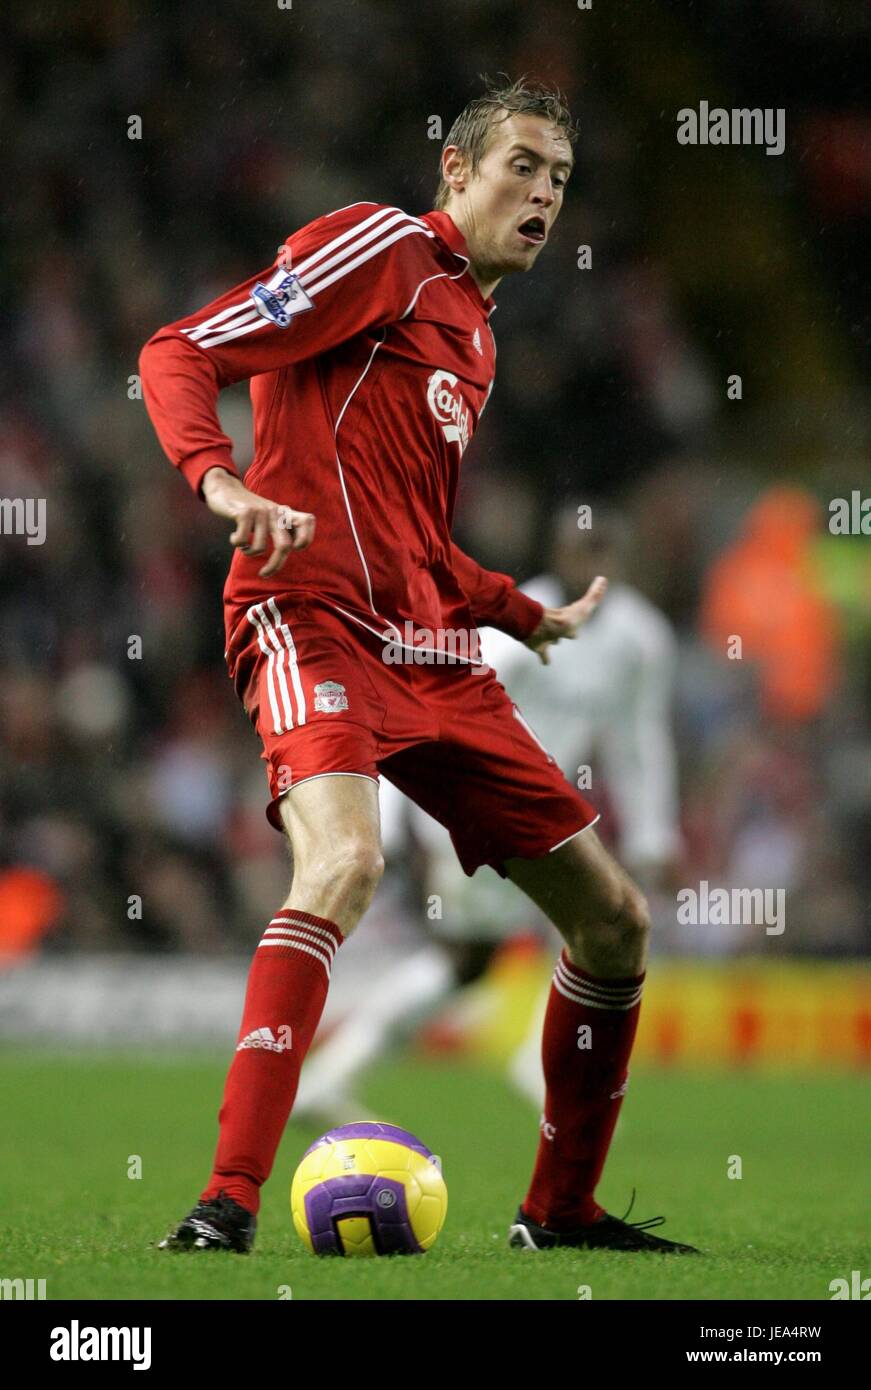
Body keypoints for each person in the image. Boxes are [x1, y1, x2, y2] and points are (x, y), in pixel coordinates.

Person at [140, 75, 697, 1254]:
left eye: (559, 177)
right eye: (522, 166)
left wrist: (516, 611)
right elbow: (179, 349)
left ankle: (562, 1211)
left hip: (433, 654)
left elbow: (413, 533)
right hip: (310, 619)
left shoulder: (476, 331)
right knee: (341, 862)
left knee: (614, 922)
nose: (543, 193)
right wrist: (222, 481)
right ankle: (226, 1202)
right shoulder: (381, 249)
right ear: (456, 170)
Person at [293, 505, 683, 1116]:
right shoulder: (519, 625)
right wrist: (392, 815)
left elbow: (639, 741)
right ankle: (541, 1063)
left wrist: (654, 834)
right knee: (579, 923)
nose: (592, 563)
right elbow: (433, 708)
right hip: (475, 800)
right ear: (556, 554)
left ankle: (330, 1077)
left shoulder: (642, 640)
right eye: (582, 549)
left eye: (604, 550)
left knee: (475, 960)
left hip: (539, 810)